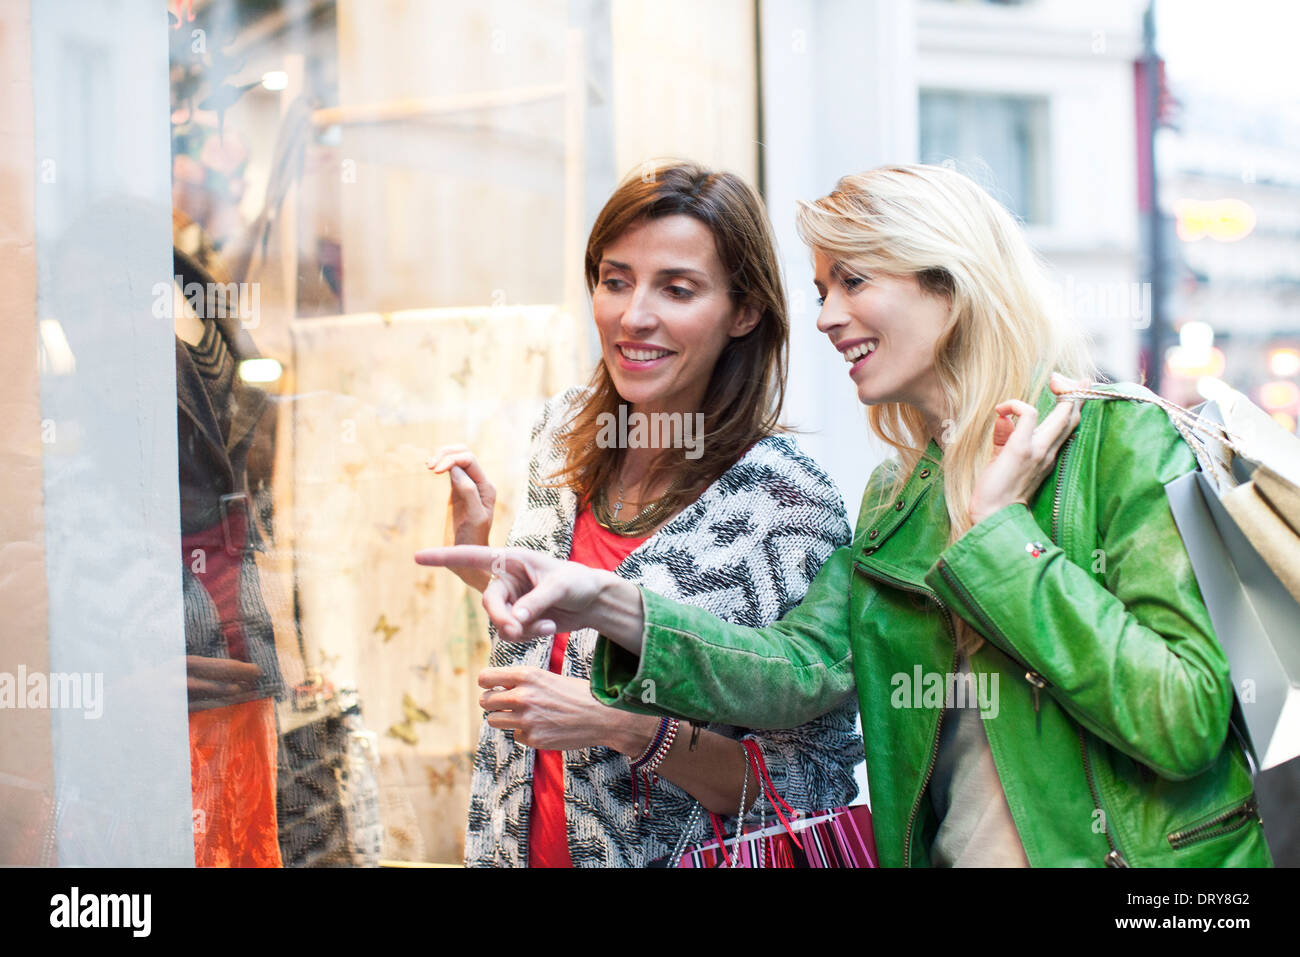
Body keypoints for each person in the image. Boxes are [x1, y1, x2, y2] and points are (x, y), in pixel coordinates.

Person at [420, 164, 1274, 868]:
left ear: (952, 284)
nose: (826, 315)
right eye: (824, 285)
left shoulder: (1120, 438)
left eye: (854, 281)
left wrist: (999, 538)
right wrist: (597, 598)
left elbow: (1184, 719)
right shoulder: (898, 497)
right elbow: (799, 669)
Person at [426, 161, 862, 867]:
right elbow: (560, 647)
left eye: (677, 288)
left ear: (745, 310)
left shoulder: (786, 504)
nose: (633, 316)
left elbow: (812, 784)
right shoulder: (563, 437)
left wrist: (625, 727)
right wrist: (486, 567)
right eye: (615, 279)